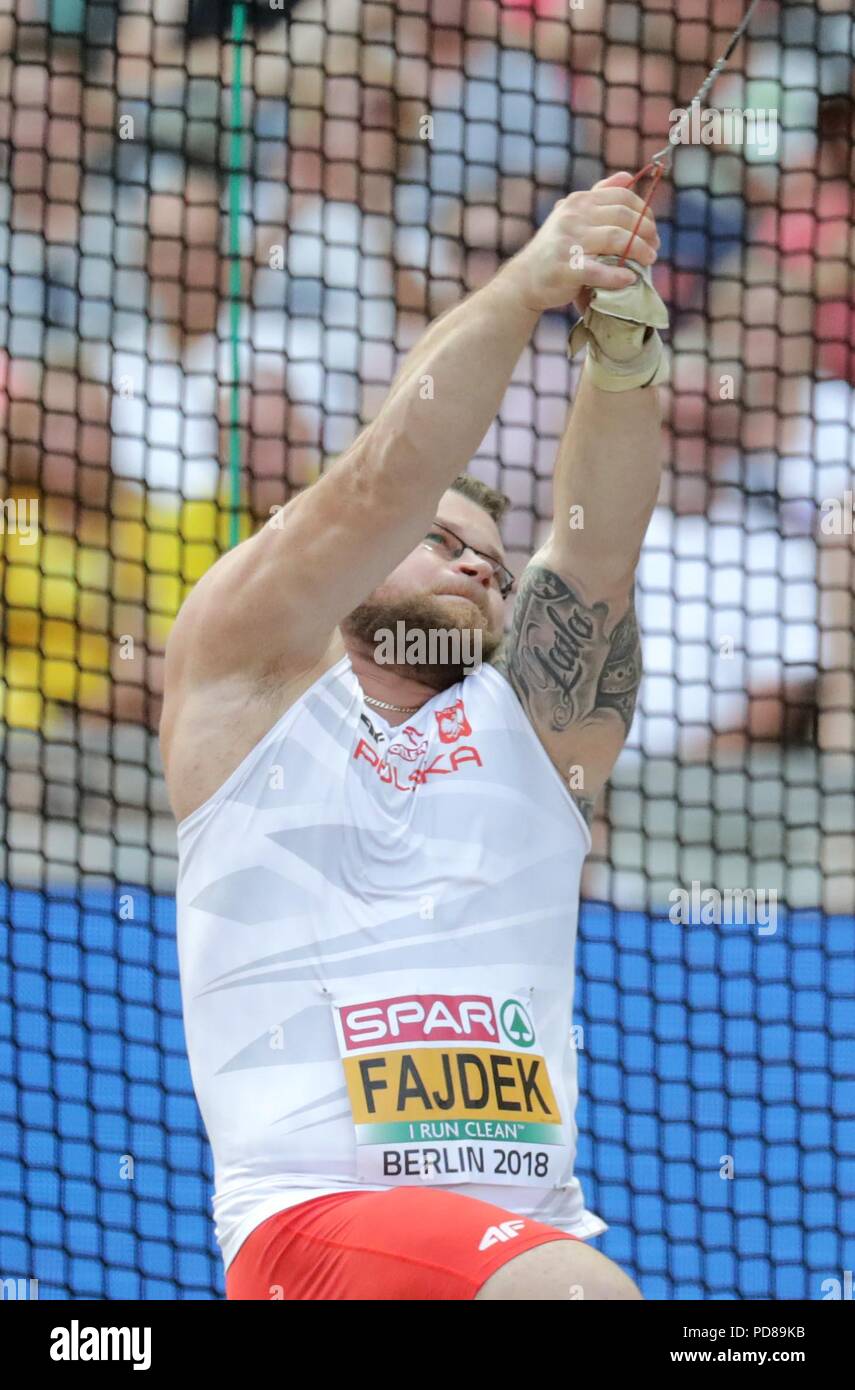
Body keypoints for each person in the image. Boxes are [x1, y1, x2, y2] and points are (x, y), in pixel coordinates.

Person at [159, 172, 666, 1300]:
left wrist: (623, 355)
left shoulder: (529, 733)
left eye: (491, 556)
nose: (479, 563)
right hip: (318, 1232)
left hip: (519, 1229)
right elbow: (380, 482)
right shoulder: (251, 684)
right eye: (443, 539)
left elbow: (593, 557)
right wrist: (530, 284)